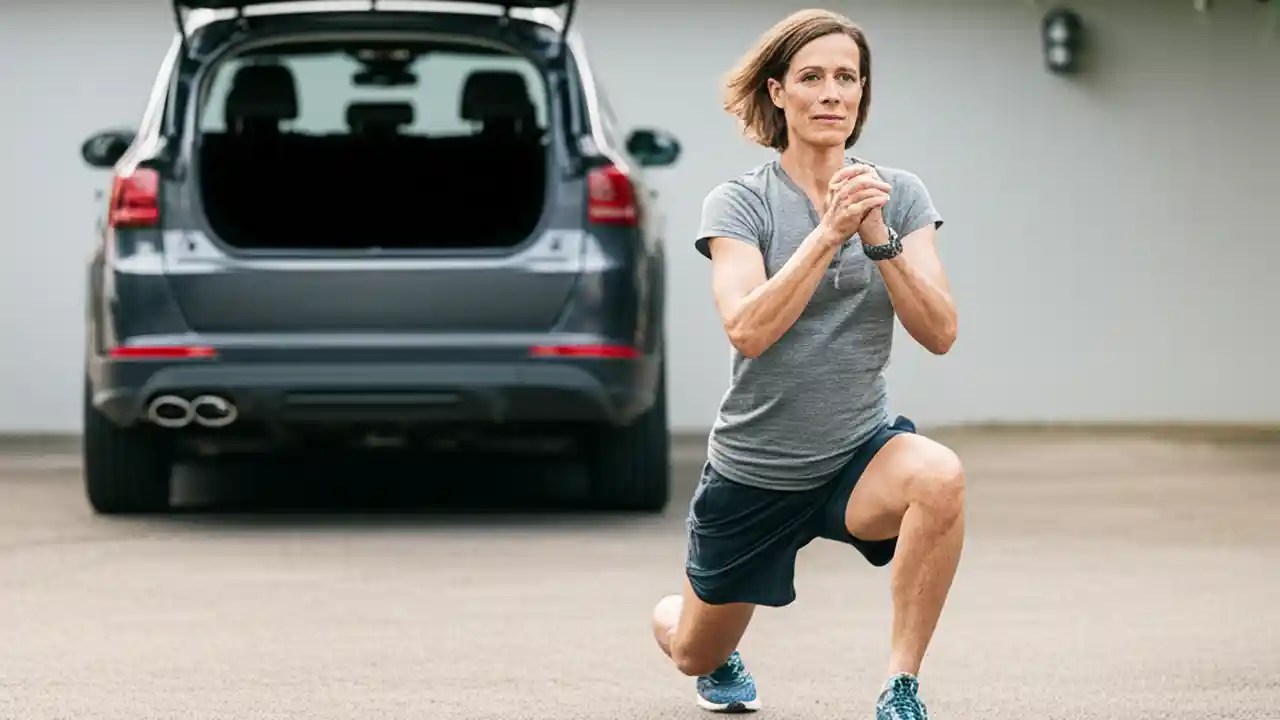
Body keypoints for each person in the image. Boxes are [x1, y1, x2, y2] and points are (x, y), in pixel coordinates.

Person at [649, 8, 966, 719]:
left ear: (862, 94)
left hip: (857, 452)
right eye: (812, 77)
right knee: (693, 651)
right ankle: (687, 628)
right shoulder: (739, 202)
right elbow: (747, 329)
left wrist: (878, 236)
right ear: (777, 92)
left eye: (847, 78)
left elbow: (941, 332)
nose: (832, 93)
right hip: (756, 468)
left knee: (940, 477)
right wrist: (827, 234)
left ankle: (901, 686)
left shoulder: (899, 194)